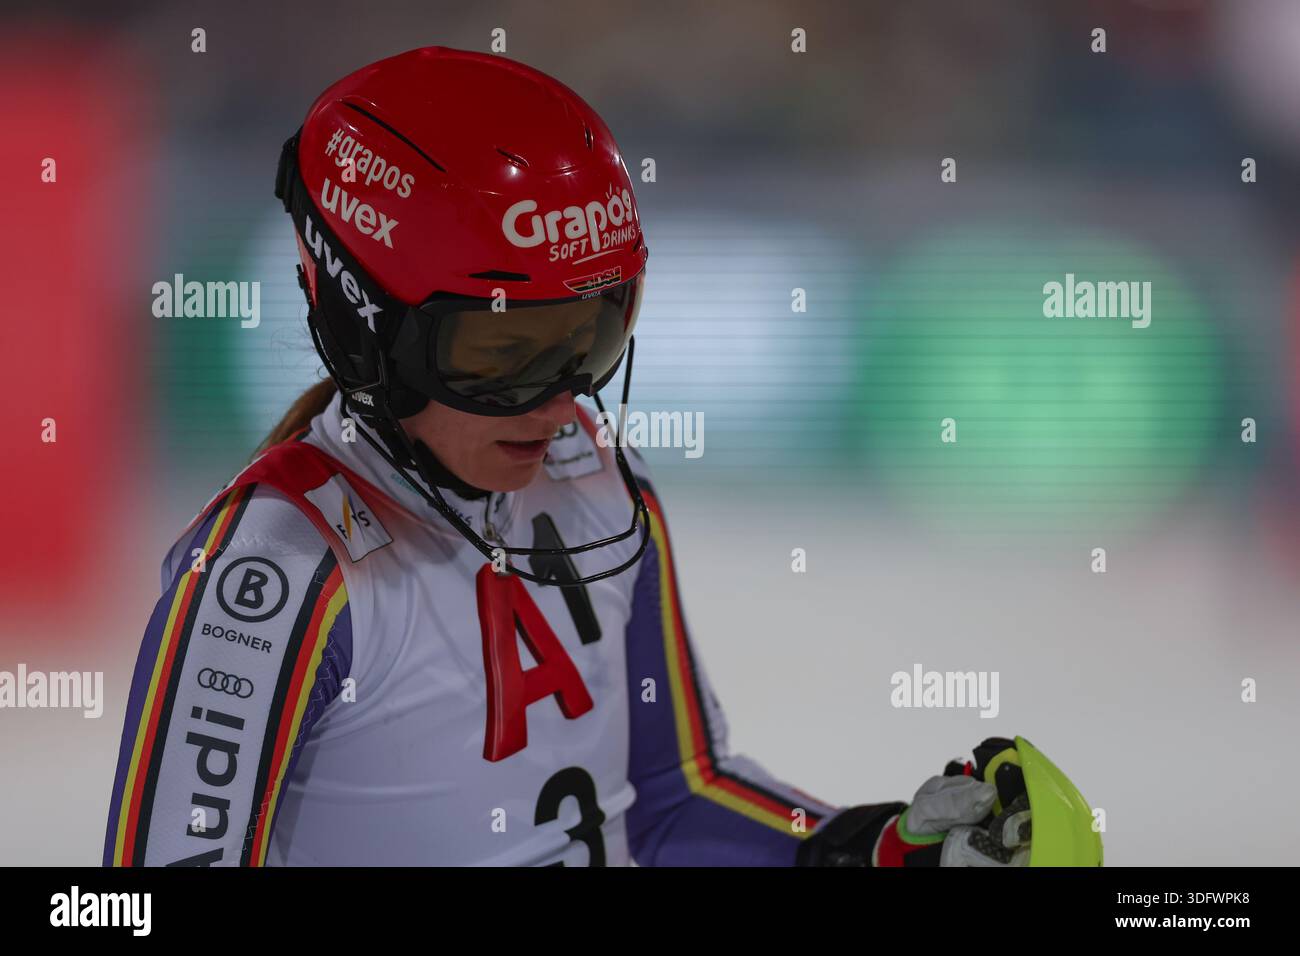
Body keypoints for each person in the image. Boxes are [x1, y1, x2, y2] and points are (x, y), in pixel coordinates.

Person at [104, 46, 1068, 866]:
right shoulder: (274, 573)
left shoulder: (597, 478)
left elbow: (670, 796)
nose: (560, 401)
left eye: (588, 337)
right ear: (365, 331)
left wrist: (880, 849)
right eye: (498, 354)